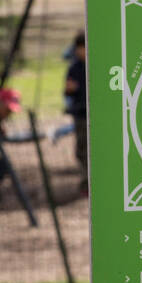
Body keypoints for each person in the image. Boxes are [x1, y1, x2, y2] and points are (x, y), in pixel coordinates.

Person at [64, 32, 89, 194]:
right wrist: (69, 90)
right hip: (80, 115)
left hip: (93, 114)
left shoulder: (97, 65)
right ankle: (86, 180)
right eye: (79, 49)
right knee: (81, 150)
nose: (81, 52)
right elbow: (68, 92)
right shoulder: (74, 68)